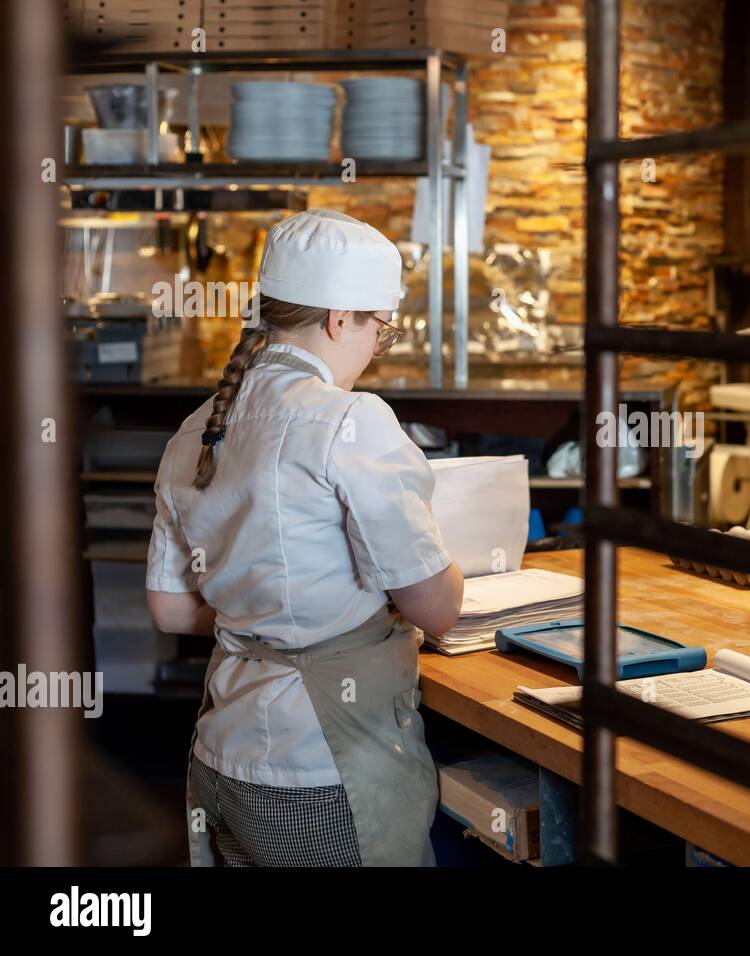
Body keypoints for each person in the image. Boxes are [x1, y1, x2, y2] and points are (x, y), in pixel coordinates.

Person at [145, 209, 464, 866]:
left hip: (219, 757)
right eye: (383, 330)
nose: (378, 348)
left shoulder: (195, 429)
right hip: (320, 770)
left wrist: (266, 609)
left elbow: (173, 609)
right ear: (340, 318)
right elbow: (439, 608)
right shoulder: (351, 420)